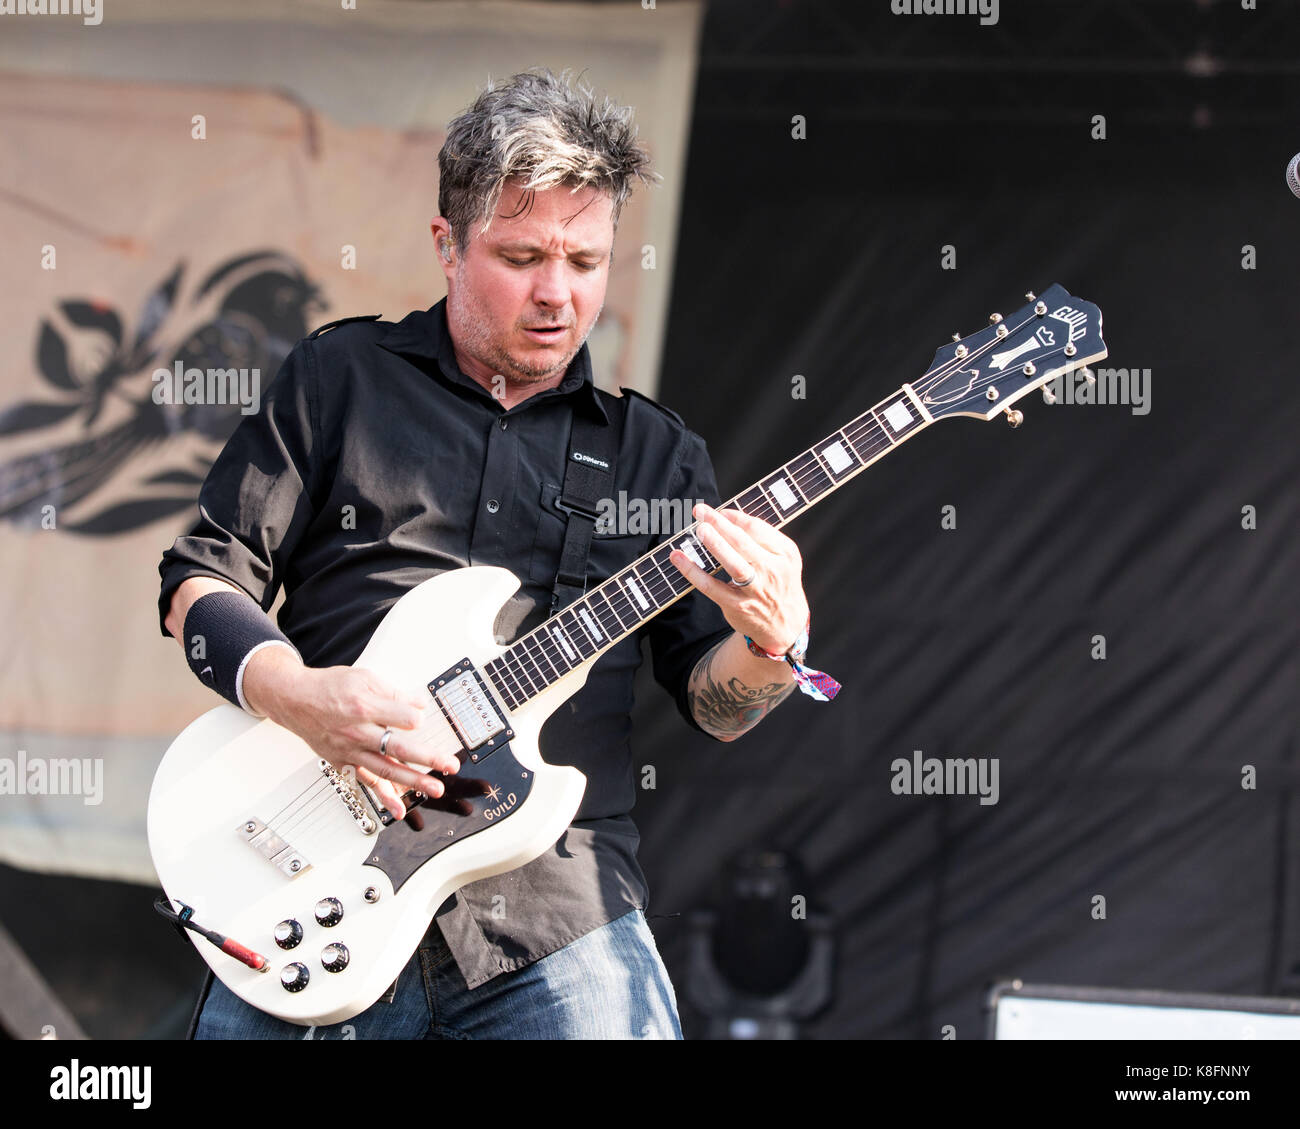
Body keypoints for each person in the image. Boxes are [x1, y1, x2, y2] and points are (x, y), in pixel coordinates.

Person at [157, 68, 832, 1040]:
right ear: (446, 244)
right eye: (522, 256)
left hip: (556, 904)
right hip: (310, 876)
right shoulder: (339, 379)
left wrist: (772, 645)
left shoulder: (654, 454)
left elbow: (713, 703)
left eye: (587, 261)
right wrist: (300, 698)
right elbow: (201, 579)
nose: (558, 294)